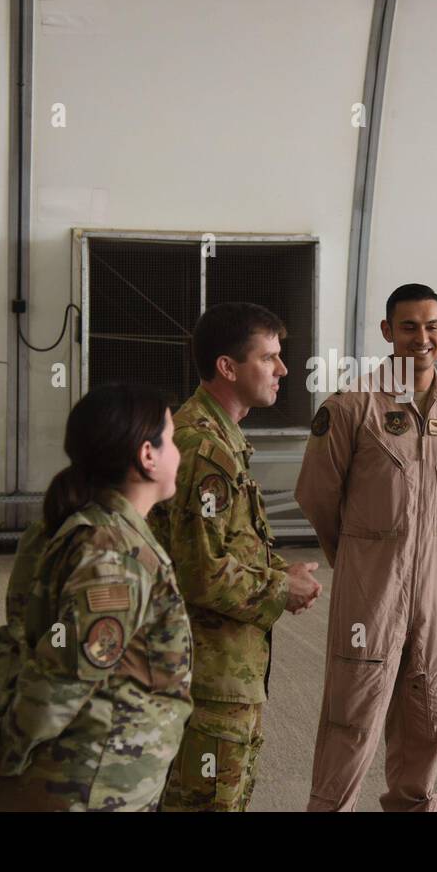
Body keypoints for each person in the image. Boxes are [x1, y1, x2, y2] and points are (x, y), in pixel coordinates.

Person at [0, 382, 192, 811]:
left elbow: (14, 640)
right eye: (171, 439)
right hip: (89, 787)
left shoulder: (70, 528)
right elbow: (63, 677)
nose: (179, 452)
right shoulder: (114, 554)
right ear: (147, 456)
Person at [294, 283, 437, 811]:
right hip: (370, 584)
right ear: (387, 332)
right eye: (408, 327)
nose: (421, 338)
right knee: (352, 715)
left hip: (436, 588)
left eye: (431, 327)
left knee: (430, 712)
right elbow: (316, 493)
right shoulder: (353, 406)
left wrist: (429, 544)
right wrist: (360, 551)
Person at [150, 302, 321, 812]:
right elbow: (201, 573)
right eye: (268, 358)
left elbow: (226, 544)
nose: (283, 370)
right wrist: (281, 588)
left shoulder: (220, 437)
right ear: (228, 368)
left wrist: (277, 571)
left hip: (225, 672)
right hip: (207, 676)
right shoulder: (203, 447)